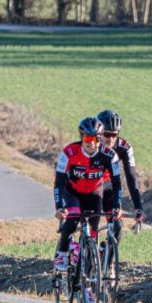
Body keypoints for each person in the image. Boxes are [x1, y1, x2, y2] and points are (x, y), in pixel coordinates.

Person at [53, 116, 122, 273]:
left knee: (93, 234)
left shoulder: (109, 156)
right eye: (88, 138)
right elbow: (59, 183)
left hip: (93, 194)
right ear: (81, 137)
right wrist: (59, 207)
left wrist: (117, 206)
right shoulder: (69, 152)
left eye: (96, 139)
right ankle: (63, 253)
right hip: (71, 192)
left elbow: (117, 185)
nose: (92, 143)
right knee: (72, 219)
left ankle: (88, 286)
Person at [96, 109, 146, 241]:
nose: (111, 139)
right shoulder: (90, 144)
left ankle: (105, 256)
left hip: (108, 185)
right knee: (90, 225)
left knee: (117, 226)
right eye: (107, 134)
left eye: (114, 135)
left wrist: (138, 207)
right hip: (88, 185)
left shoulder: (125, 147)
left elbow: (131, 177)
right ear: (99, 132)